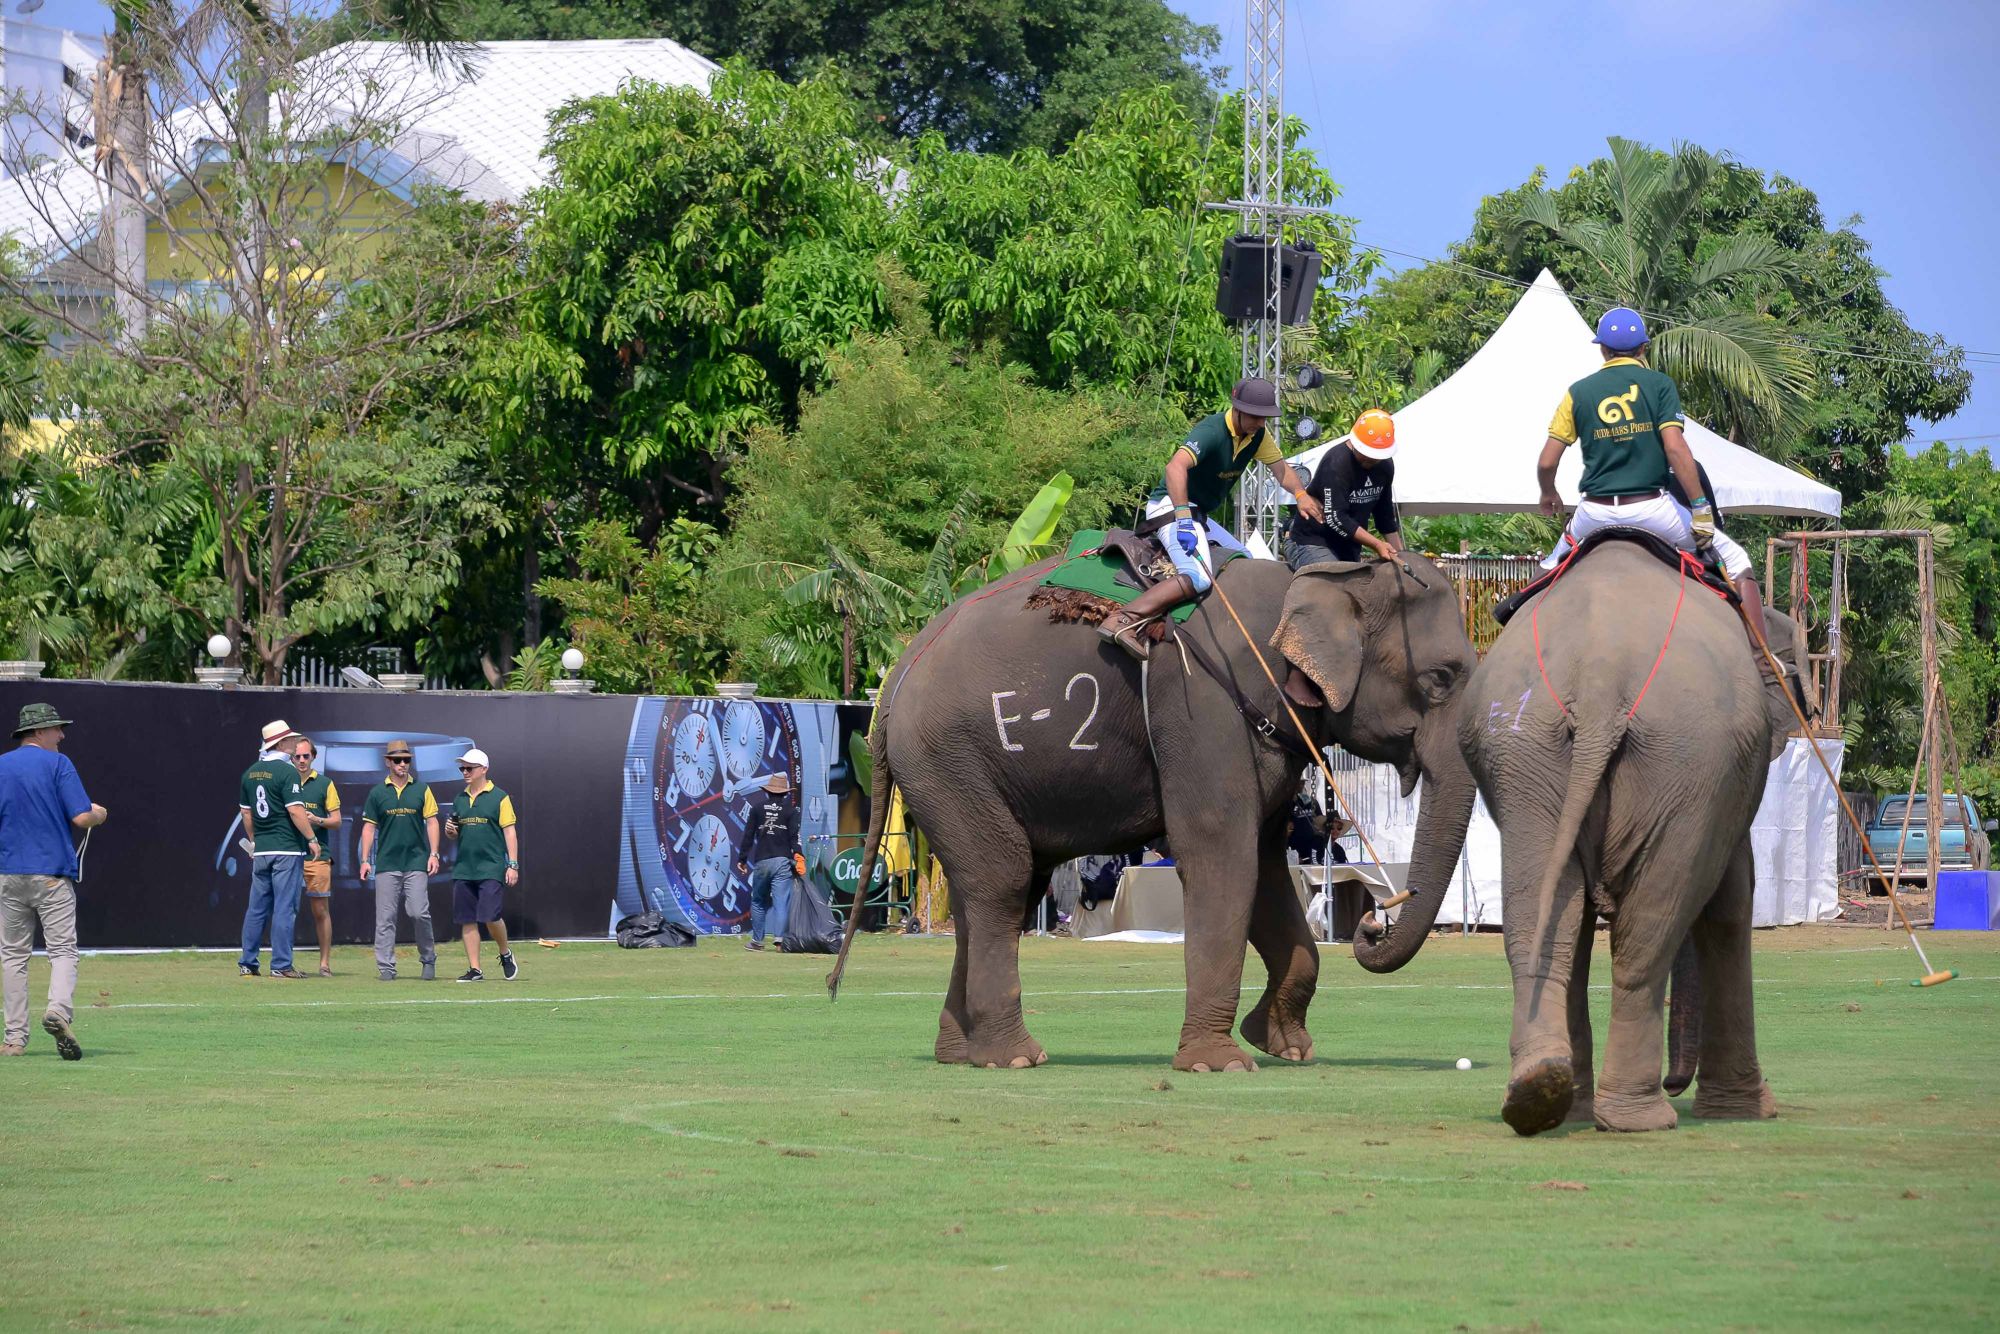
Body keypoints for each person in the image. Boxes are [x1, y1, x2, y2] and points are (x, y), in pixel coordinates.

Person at [1535, 306, 1775, 674]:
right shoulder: (1659, 386)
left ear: (1602, 350)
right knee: (1738, 561)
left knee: (1547, 570)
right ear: (1643, 349)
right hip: (1652, 511)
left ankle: (1521, 650)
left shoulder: (1577, 393)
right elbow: (1677, 450)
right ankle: (1761, 663)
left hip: (1593, 515)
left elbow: (1547, 461)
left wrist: (1548, 493)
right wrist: (1700, 509)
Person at [1097, 376, 1325, 659]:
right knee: (1198, 576)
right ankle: (1123, 620)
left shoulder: (1258, 437)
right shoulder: (1212, 430)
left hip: (1199, 513)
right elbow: (1175, 468)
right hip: (1170, 506)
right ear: (1237, 408)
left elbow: (1282, 471)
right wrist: (1182, 519)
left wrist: (1301, 494)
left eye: (1265, 417)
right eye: (1255, 416)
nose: (1260, 423)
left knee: (1244, 560)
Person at [0, 702, 106, 1059]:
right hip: (50, 874)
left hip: (9, 873)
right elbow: (81, 817)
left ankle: (14, 1039)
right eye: (57, 729)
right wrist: (100, 814)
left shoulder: (1, 766)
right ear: (40, 732)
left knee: (12, 955)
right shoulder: (58, 764)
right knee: (62, 950)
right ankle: (58, 1011)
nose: (61, 736)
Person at [238, 718, 320, 979]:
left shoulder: (249, 773)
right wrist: (311, 838)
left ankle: (248, 962)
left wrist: (254, 841)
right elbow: (295, 810)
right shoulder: (287, 772)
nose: (295, 744)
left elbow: (246, 814)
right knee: (285, 907)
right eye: (292, 740)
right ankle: (281, 965)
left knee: (257, 908)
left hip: (262, 850)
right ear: (282, 743)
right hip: (286, 848)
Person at [358, 739, 440, 982]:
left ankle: (428, 959)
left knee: (418, 912)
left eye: (406, 760)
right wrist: (365, 859)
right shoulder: (377, 792)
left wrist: (434, 853)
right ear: (387, 762)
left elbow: (433, 821)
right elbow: (368, 828)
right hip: (387, 863)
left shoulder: (422, 789)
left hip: (416, 861)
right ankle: (386, 967)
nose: (402, 764)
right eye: (397, 760)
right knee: (385, 918)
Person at [1285, 409, 1406, 569]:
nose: (1371, 459)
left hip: (1348, 547)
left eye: (1376, 455)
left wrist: (1402, 556)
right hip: (1312, 541)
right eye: (1366, 453)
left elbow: (1385, 518)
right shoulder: (1336, 463)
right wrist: (1377, 544)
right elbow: (1337, 519)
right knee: (1334, 587)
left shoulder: (1385, 466)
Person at [444, 747, 517, 982]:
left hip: (491, 867)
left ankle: (505, 953)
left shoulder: (500, 797)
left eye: (469, 768)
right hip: (464, 867)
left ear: (483, 769)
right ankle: (475, 969)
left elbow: (510, 832)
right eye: (462, 768)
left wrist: (513, 864)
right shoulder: (460, 798)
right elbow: (455, 833)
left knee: (490, 916)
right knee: (467, 918)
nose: (465, 772)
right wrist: (450, 832)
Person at [289, 736, 342, 977]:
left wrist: (316, 820)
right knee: (285, 908)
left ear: (313, 757)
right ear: (291, 758)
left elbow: (336, 821)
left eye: (305, 756)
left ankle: (324, 964)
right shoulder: (283, 782)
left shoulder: (325, 784)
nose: (301, 760)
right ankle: (284, 963)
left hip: (317, 855)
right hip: (288, 854)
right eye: (297, 756)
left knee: (320, 909)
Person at [734, 773, 800, 951]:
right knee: (781, 902)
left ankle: (757, 941)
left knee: (758, 901)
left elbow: (748, 835)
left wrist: (742, 859)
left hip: (762, 861)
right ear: (785, 793)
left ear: (768, 792)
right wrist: (799, 856)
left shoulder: (757, 809)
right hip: (782, 861)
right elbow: (795, 838)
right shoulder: (791, 811)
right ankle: (779, 941)